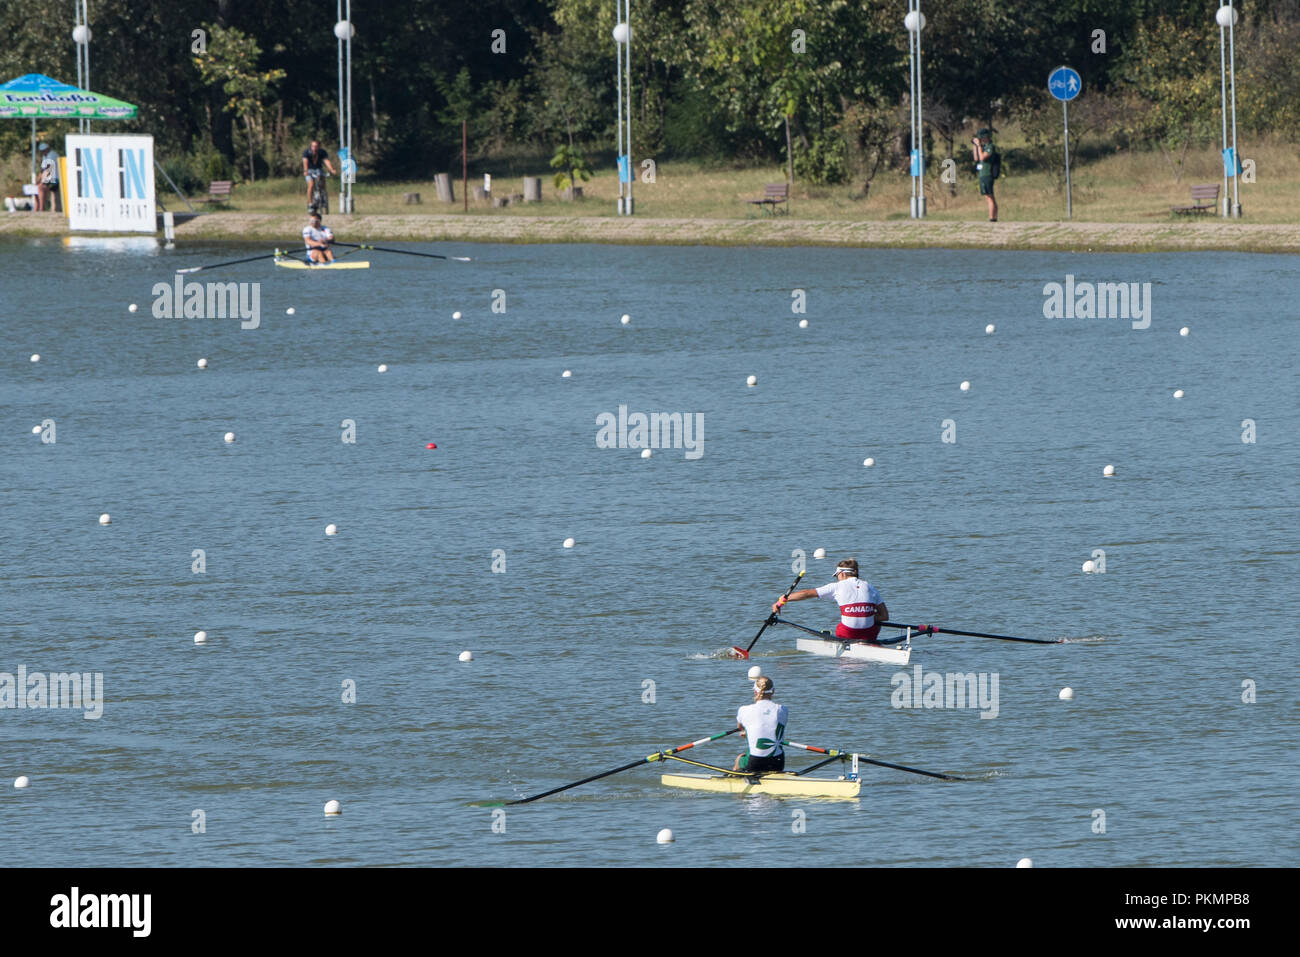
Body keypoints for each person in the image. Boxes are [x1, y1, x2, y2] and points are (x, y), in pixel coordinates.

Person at [772, 558, 889, 643]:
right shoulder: (870, 587)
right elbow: (884, 616)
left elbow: (806, 593)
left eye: (837, 575)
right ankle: (871, 644)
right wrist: (865, 615)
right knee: (876, 623)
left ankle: (843, 645)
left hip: (848, 632)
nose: (837, 578)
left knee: (841, 626)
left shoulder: (837, 586)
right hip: (868, 633)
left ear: (842, 574)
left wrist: (782, 600)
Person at [733, 676, 788, 773]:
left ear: (755, 691)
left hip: (755, 763)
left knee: (739, 758)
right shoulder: (783, 709)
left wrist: (746, 733)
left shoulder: (744, 710)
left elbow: (740, 728)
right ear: (773, 691)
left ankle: (736, 780)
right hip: (778, 763)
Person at [972, 128, 999, 222]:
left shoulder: (990, 147)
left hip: (988, 174)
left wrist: (979, 146)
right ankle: (993, 216)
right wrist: (976, 146)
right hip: (982, 174)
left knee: (990, 196)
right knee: (987, 196)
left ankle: (992, 218)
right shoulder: (983, 147)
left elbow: (983, 157)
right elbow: (976, 158)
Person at [302, 139, 337, 211]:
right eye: (313, 146)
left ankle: (323, 196)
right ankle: (310, 203)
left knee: (322, 180)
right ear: (311, 146)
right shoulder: (306, 152)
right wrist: (305, 170)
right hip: (309, 170)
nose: (314, 148)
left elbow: (326, 161)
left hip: (318, 169)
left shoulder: (322, 152)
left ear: (319, 147)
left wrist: (331, 169)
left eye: (316, 146)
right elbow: (305, 162)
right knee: (311, 185)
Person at [35, 142, 60, 213]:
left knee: (41, 187)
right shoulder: (45, 156)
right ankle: (37, 207)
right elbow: (43, 170)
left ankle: (41, 208)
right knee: (37, 187)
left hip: (55, 178)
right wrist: (38, 180)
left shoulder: (52, 155)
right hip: (50, 178)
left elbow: (47, 169)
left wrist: (41, 181)